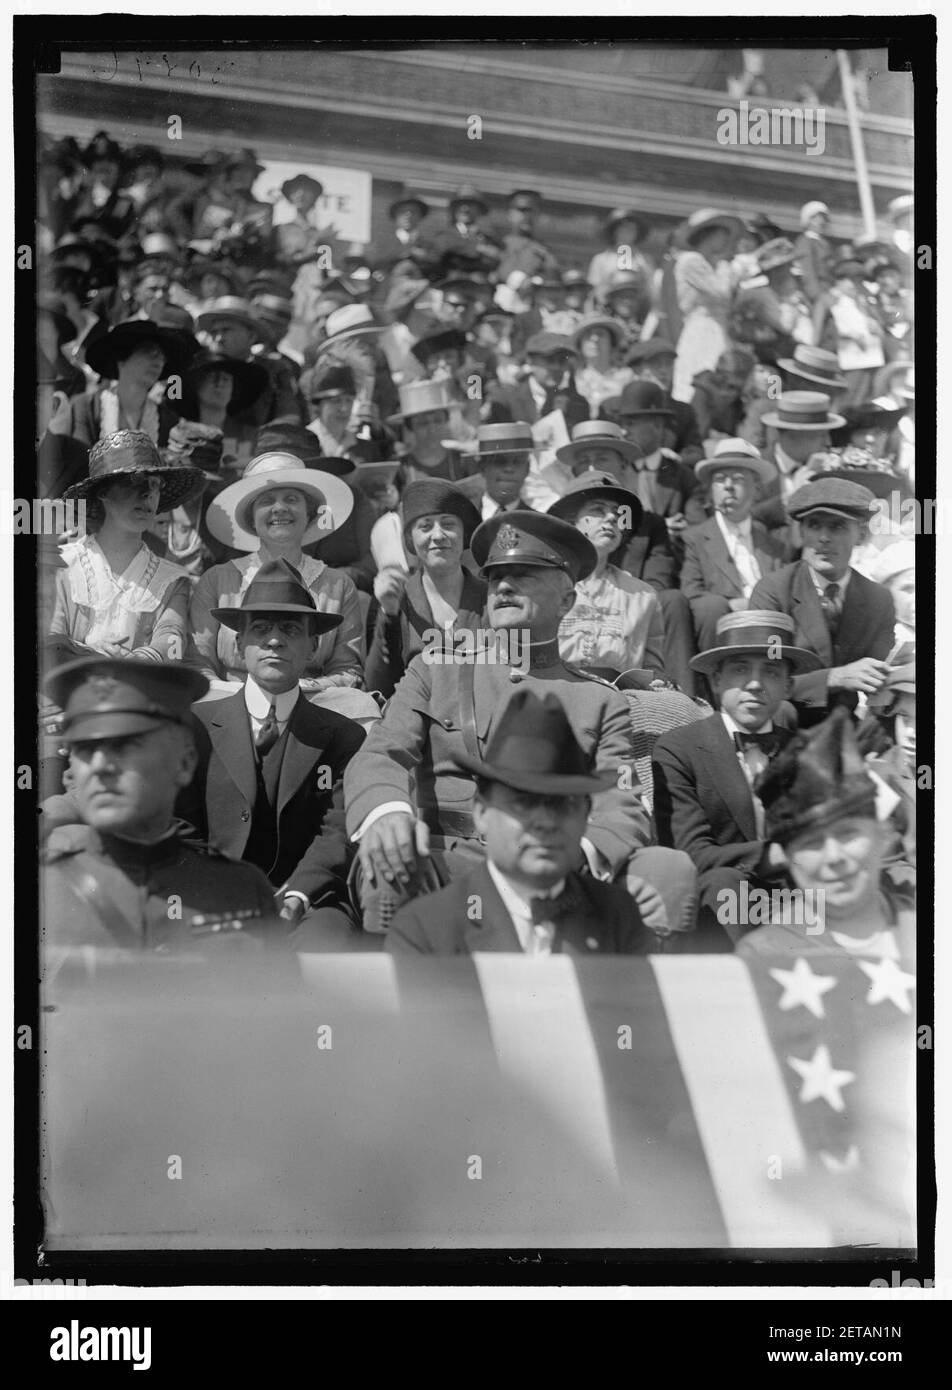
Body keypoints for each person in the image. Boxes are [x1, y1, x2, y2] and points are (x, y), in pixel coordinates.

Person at [344, 510, 697, 940]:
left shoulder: (599, 699)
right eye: (495, 578)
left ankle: (619, 1002)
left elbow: (619, 803)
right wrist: (387, 813)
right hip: (449, 861)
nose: (504, 587)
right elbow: (382, 753)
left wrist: (575, 853)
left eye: (525, 575)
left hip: (553, 861)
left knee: (667, 869)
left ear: (567, 600)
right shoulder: (436, 666)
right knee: (389, 858)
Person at [40, 657, 282, 954]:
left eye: (124, 745)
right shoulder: (39, 887)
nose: (99, 765)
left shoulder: (242, 892)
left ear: (184, 762)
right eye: (84, 748)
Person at [183, 560, 366, 948]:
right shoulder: (195, 727)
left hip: (311, 904)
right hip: (214, 900)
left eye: (290, 629)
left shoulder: (342, 737)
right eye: (261, 628)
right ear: (238, 643)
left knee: (325, 954)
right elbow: (181, 828)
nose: (274, 641)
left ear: (313, 644)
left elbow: (337, 832)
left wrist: (298, 895)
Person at [387, 689, 652, 956]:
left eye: (564, 803)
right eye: (523, 803)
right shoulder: (427, 929)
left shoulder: (619, 917)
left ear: (585, 814)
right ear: (481, 812)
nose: (546, 822)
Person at [652, 611, 820, 947]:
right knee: (722, 882)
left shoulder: (808, 752)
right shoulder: (679, 748)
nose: (755, 684)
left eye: (770, 671)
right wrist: (770, 855)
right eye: (740, 669)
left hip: (800, 896)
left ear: (787, 686)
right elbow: (689, 852)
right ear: (716, 681)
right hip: (727, 901)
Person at [737, 708, 914, 962]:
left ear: (881, 835)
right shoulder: (766, 955)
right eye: (812, 842)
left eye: (847, 833)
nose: (834, 857)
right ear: (785, 857)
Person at [190, 452, 365, 692]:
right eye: (266, 501)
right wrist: (241, 699)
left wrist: (298, 693)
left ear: (309, 514)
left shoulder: (338, 585)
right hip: (229, 709)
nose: (280, 508)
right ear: (251, 518)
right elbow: (198, 664)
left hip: (314, 706)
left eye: (292, 499)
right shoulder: (218, 581)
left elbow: (348, 670)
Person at [750, 478, 895, 725]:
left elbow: (879, 678)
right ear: (802, 533)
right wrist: (835, 678)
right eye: (814, 526)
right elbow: (765, 681)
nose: (824, 538)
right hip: (786, 719)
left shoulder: (877, 599)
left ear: (861, 534)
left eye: (837, 527)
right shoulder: (774, 591)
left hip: (843, 724)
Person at [50, 431, 203, 664]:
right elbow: (48, 639)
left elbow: (172, 641)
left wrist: (134, 662)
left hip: (141, 692)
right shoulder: (59, 567)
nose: (148, 494)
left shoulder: (172, 581)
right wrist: (86, 652)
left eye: (156, 485)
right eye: (134, 481)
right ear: (103, 492)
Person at [366, 480, 487, 698]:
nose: (438, 535)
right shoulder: (397, 598)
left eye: (448, 524)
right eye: (425, 526)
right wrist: (389, 613)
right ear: (410, 539)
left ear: (463, 533)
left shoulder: (489, 598)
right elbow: (379, 687)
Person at [547, 472, 665, 677]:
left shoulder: (643, 596)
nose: (612, 518)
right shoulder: (542, 585)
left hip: (621, 700)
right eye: (598, 510)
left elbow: (652, 668)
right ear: (569, 521)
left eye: (618, 514)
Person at [679, 438, 789, 652]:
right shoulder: (694, 539)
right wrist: (731, 604)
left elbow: (784, 595)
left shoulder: (773, 543)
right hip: (720, 633)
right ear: (711, 490)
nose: (728, 486)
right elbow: (690, 594)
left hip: (767, 633)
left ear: (756, 489)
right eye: (720, 480)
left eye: (737, 479)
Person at [44, 317, 190, 457]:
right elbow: (80, 461)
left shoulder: (167, 420)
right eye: (149, 351)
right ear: (121, 359)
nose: (158, 360)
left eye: (162, 356)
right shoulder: (86, 406)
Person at [672, 209, 742, 403]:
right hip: (702, 327)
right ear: (708, 235)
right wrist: (726, 267)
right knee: (698, 379)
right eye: (722, 236)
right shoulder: (691, 261)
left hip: (717, 329)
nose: (726, 242)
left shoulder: (712, 265)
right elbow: (721, 293)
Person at [753, 390, 846, 536]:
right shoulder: (757, 470)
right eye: (820, 435)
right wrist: (791, 499)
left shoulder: (827, 468)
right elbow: (747, 518)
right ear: (793, 436)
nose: (828, 442)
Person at [177, 347, 268, 473]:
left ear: (233, 390)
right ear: (195, 385)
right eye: (212, 377)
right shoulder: (177, 434)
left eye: (226, 379)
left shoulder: (254, 436)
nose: (219, 383)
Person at [572, 313, 634, 417]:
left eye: (600, 334)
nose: (594, 339)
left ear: (612, 343)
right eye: (588, 335)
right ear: (580, 345)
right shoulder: (572, 379)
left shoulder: (628, 377)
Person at [587, 207, 650, 297]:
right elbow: (593, 290)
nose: (626, 233)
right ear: (614, 232)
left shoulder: (645, 261)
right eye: (623, 228)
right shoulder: (600, 260)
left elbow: (652, 292)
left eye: (631, 229)